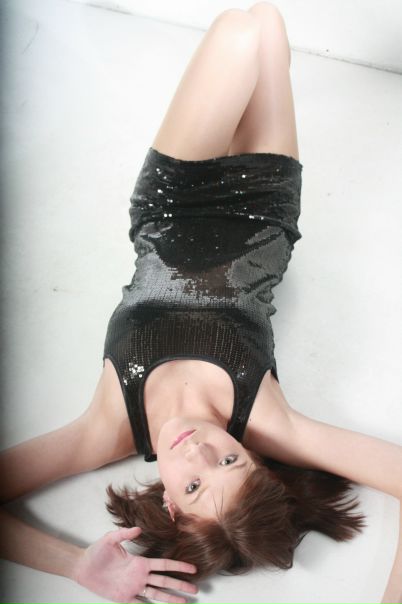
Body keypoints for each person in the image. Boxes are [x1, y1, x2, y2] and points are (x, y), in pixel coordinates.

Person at [1, 3, 401, 604]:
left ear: (168, 504)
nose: (199, 451)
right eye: (231, 463)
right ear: (255, 459)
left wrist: (74, 565)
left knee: (242, 32)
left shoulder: (106, 429)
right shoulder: (269, 423)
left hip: (174, 201)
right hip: (265, 210)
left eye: (192, 487)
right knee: (266, 23)